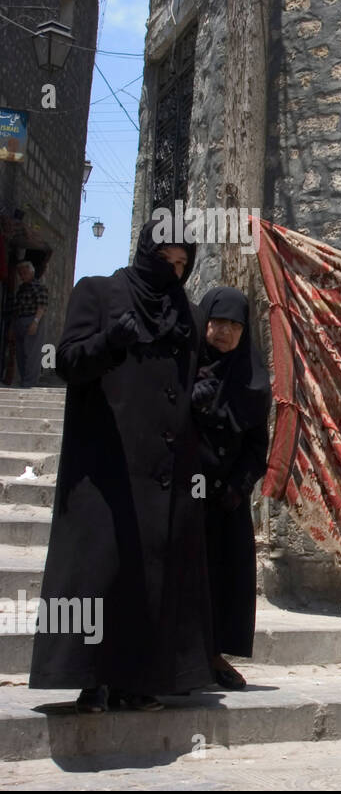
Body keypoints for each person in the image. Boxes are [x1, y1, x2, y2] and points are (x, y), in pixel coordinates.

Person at [28, 220, 214, 712]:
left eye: (183, 265)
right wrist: (108, 343)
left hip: (164, 468)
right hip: (106, 462)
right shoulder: (98, 292)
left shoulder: (188, 315)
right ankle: (90, 678)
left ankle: (140, 680)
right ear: (145, 251)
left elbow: (192, 379)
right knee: (98, 570)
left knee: (150, 577)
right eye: (166, 260)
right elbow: (66, 361)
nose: (174, 273)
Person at [191, 286, 270, 690]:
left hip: (226, 497)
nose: (225, 332)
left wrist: (239, 486)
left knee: (225, 577)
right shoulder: (182, 367)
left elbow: (258, 446)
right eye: (218, 322)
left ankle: (214, 655)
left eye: (235, 325)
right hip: (182, 494)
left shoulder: (252, 381)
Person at [11, 260, 48, 387]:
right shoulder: (21, 289)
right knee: (20, 353)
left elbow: (42, 306)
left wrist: (35, 322)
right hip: (20, 321)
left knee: (32, 353)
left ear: (31, 272)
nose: (22, 275)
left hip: (33, 320)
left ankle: (29, 382)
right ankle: (24, 380)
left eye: (24, 273)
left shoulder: (39, 287)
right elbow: (16, 308)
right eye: (20, 273)